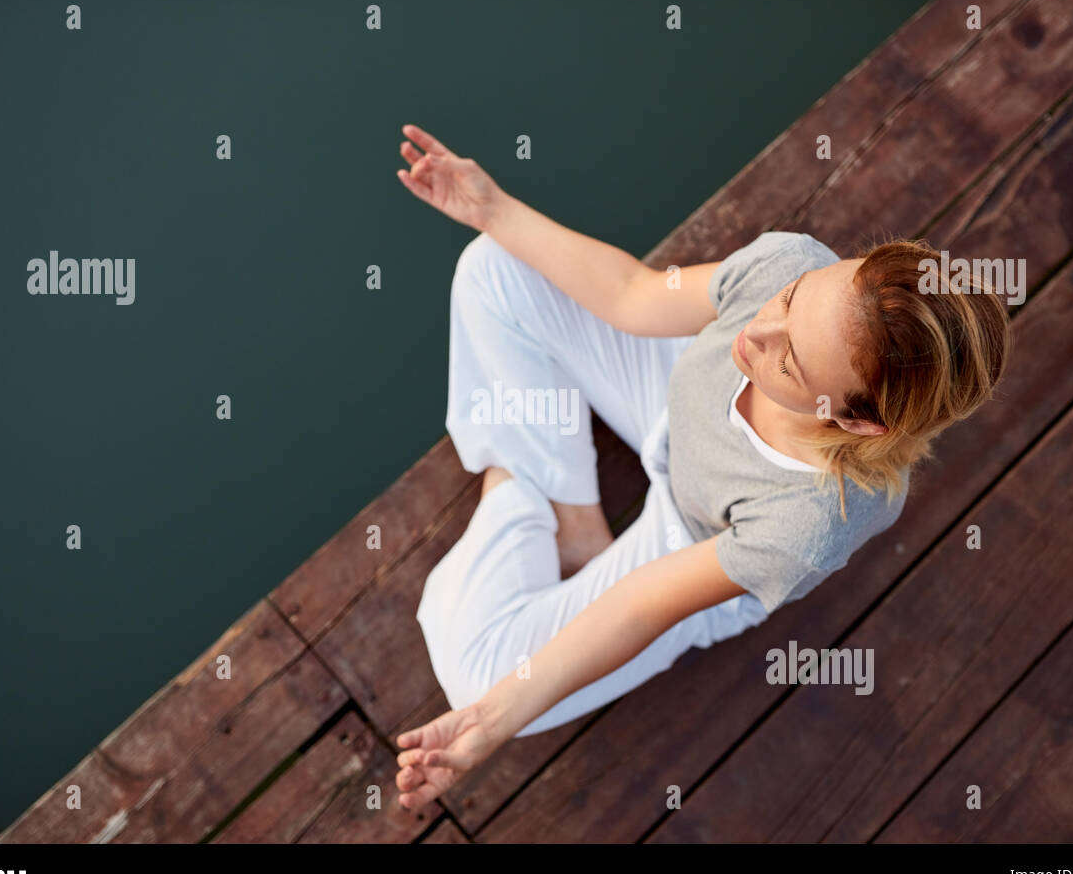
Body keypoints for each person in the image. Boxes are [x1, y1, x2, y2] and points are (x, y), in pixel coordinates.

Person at [390, 123, 1011, 810]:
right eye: (791, 300)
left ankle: (523, 485)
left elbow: (644, 601)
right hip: (672, 404)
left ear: (857, 420)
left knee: (479, 681)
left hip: (690, 536)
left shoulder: (807, 525)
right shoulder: (788, 263)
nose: (756, 333)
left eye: (790, 361)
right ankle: (574, 519)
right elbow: (633, 293)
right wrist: (490, 205)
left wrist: (489, 725)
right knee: (494, 264)